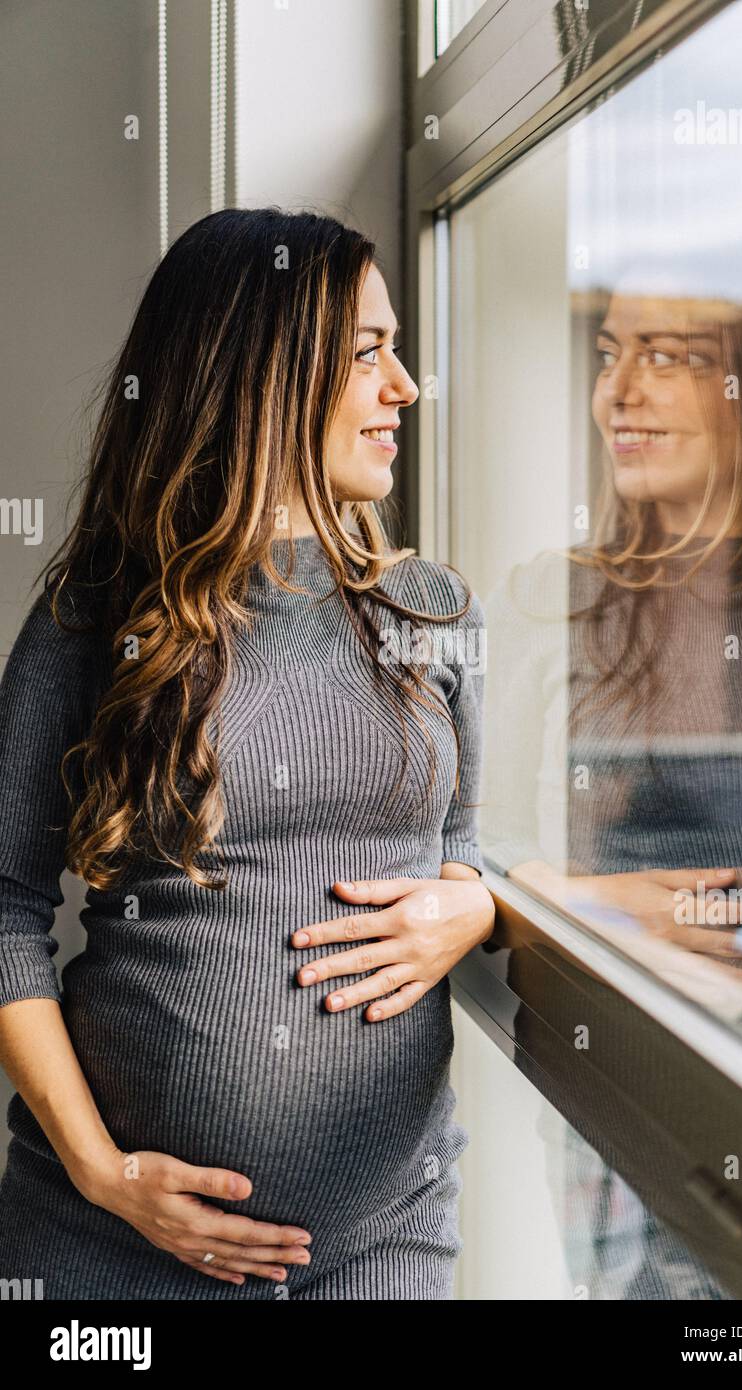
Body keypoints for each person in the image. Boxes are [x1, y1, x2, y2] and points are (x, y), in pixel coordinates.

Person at [0, 207, 494, 1300]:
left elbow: (462, 846)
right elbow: (2, 911)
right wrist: (102, 1168)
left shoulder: (433, 610)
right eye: (368, 353)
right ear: (262, 374)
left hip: (383, 1239)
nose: (403, 385)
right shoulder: (96, 618)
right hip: (106, 1247)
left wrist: (476, 904)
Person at [481, 285, 742, 1297]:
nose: (617, 392)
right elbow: (467, 842)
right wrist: (588, 901)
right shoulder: (553, 601)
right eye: (610, 352)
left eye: (671, 355)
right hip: (632, 1135)